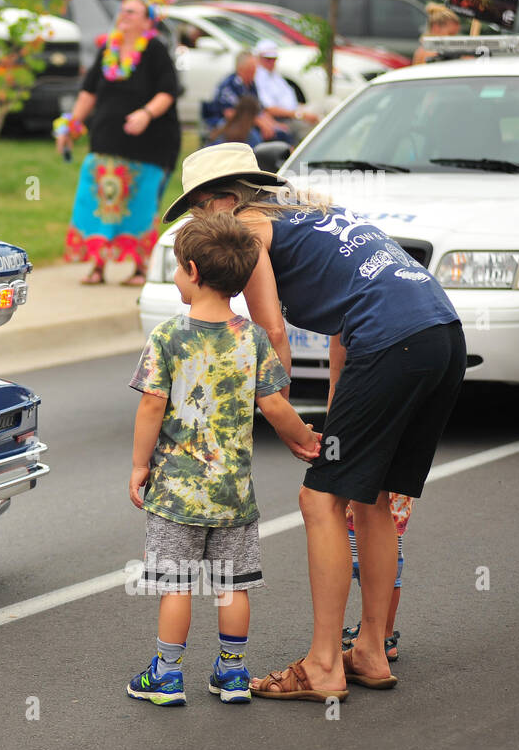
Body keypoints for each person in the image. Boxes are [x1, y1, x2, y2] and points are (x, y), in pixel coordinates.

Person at [162, 143, 465, 701]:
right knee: (368, 496)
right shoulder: (309, 211)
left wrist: (288, 427)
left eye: (200, 211)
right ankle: (370, 651)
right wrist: (336, 411)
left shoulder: (249, 231)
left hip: (392, 340)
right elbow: (344, 319)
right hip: (439, 332)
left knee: (320, 500)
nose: (201, 227)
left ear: (226, 199)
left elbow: (272, 333)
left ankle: (324, 664)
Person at [127, 212, 320, 706]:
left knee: (177, 587)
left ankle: (167, 676)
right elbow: (275, 405)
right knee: (233, 586)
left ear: (192, 271)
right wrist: (304, 439)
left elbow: (151, 404)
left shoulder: (169, 337)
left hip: (176, 495)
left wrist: (139, 466)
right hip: (234, 494)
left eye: (174, 268)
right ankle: (233, 675)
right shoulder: (252, 339)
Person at [58, 0, 180, 287]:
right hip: (105, 142)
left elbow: (168, 92)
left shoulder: (155, 50)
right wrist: (70, 127)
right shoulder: (107, 50)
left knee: (139, 205)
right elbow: (88, 93)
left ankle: (140, 268)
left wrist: (145, 114)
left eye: (132, 12)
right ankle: (97, 266)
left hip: (147, 146)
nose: (124, 15)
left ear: (146, 20)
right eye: (123, 11)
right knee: (97, 202)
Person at [342, 492, 413, 661]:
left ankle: (374, 634)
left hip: (363, 512)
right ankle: (385, 636)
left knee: (366, 572)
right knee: (390, 577)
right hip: (395, 514)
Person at [203, 52, 286, 146]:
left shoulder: (251, 85)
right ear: (241, 69)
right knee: (254, 137)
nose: (254, 73)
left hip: (248, 122)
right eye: (251, 70)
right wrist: (259, 123)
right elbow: (230, 114)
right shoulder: (229, 85)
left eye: (255, 69)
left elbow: (259, 110)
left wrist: (273, 125)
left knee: (280, 134)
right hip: (228, 123)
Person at [251, 39, 319, 142]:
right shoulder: (259, 78)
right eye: (268, 59)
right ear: (259, 58)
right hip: (287, 118)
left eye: (274, 58)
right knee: (316, 130)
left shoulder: (275, 75)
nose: (271, 62)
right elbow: (269, 108)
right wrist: (300, 115)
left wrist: (301, 111)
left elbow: (290, 99)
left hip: (296, 111)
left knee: (330, 104)